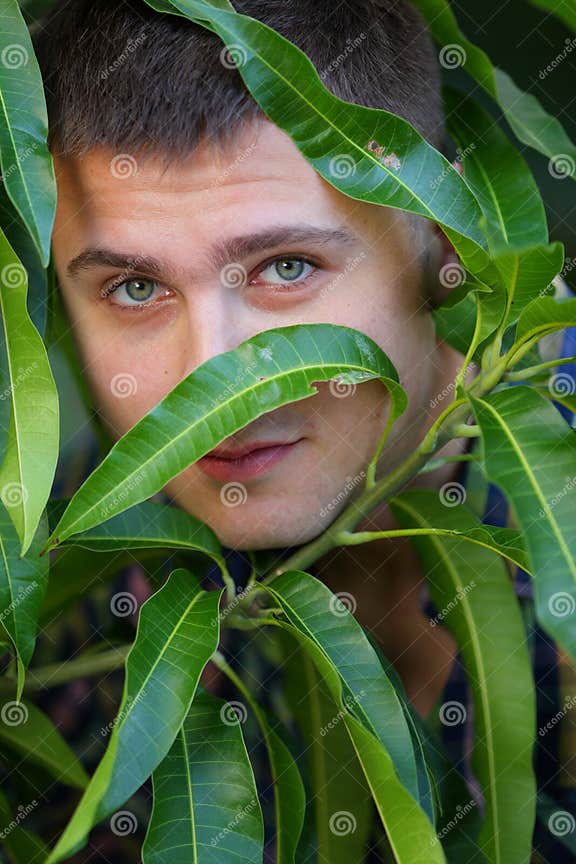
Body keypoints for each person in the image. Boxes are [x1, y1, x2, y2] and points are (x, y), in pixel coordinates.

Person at [27, 0, 576, 861]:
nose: (217, 384)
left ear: (447, 229)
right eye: (135, 288)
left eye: (287, 268)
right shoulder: (76, 585)